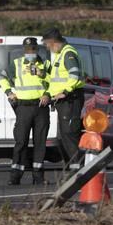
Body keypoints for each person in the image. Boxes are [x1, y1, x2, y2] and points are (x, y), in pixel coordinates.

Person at [0, 37, 51, 185]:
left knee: (40, 142)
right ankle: (15, 176)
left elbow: (54, 81)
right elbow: (2, 77)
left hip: (41, 107)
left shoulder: (46, 64)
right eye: (27, 50)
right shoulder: (17, 64)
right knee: (21, 142)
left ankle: (38, 177)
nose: (30, 52)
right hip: (23, 107)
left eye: (33, 49)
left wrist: (47, 92)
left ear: (37, 49)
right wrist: (9, 92)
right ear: (24, 50)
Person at [41, 28, 85, 170]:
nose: (47, 48)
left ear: (53, 42)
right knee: (65, 135)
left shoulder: (68, 53)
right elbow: (55, 80)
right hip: (63, 101)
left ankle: (77, 168)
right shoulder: (60, 55)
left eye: (47, 44)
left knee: (70, 133)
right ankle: (71, 167)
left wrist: (65, 92)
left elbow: (75, 75)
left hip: (70, 99)